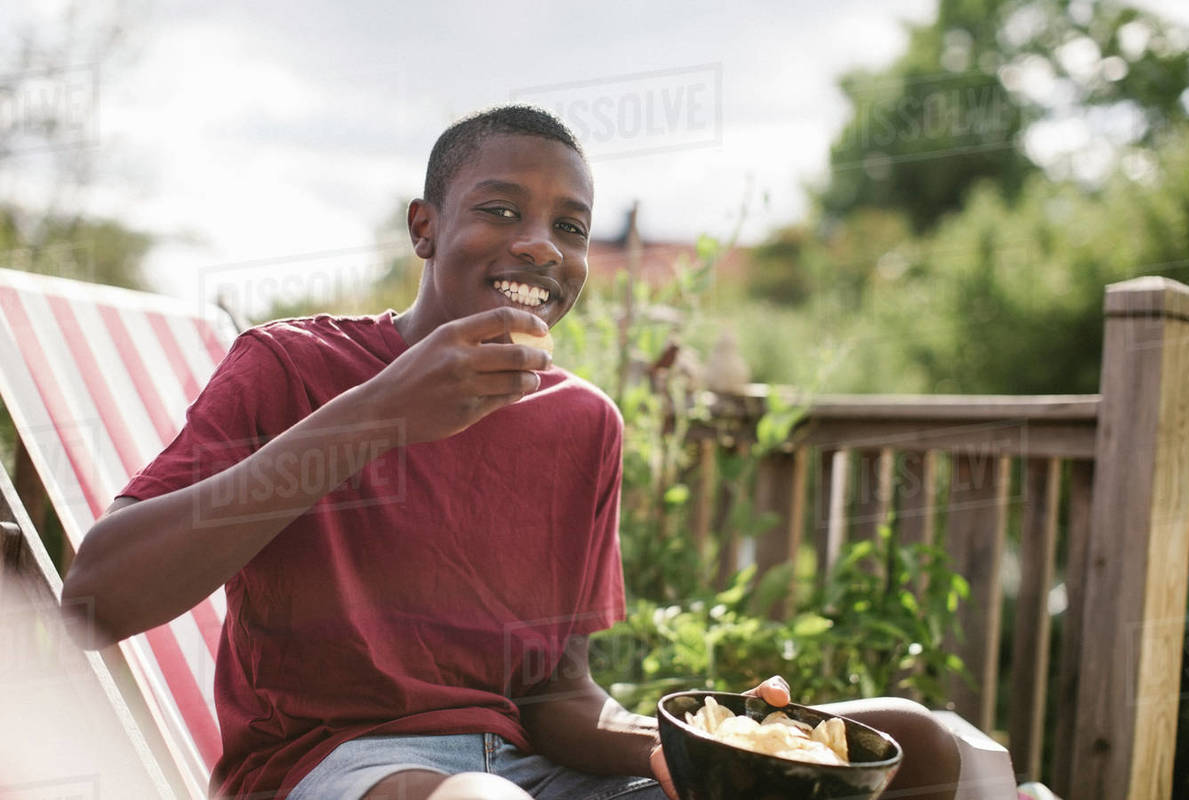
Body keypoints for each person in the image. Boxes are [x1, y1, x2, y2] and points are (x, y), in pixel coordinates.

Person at [61, 105, 960, 800]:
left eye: (571, 227)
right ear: (424, 227)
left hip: (527, 774)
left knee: (918, 739)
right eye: (500, 209)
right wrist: (378, 412)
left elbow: (554, 699)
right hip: (332, 770)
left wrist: (688, 745)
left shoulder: (583, 424)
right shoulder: (293, 367)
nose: (540, 244)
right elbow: (97, 598)